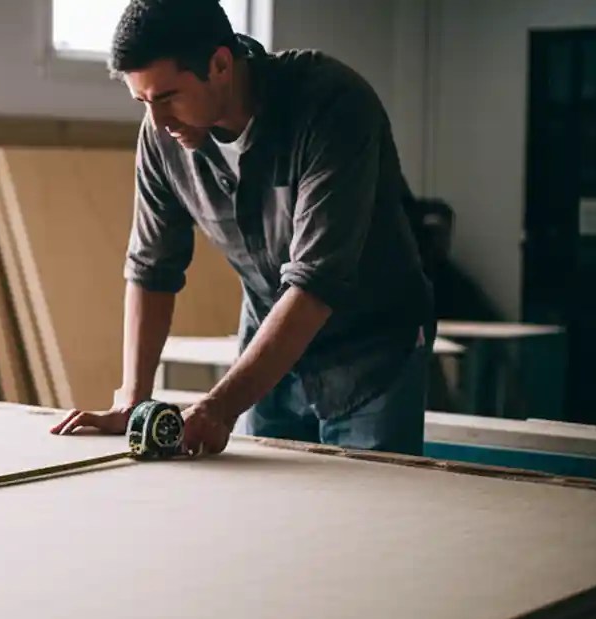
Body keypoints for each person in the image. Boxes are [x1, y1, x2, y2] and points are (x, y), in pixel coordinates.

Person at [49, 0, 434, 457]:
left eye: (168, 97)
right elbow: (152, 268)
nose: (157, 122)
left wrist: (218, 407)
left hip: (371, 352)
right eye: (143, 102)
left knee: (372, 518)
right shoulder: (161, 135)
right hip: (269, 348)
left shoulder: (331, 105)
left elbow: (317, 282)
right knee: (267, 517)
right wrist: (134, 397)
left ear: (219, 64)